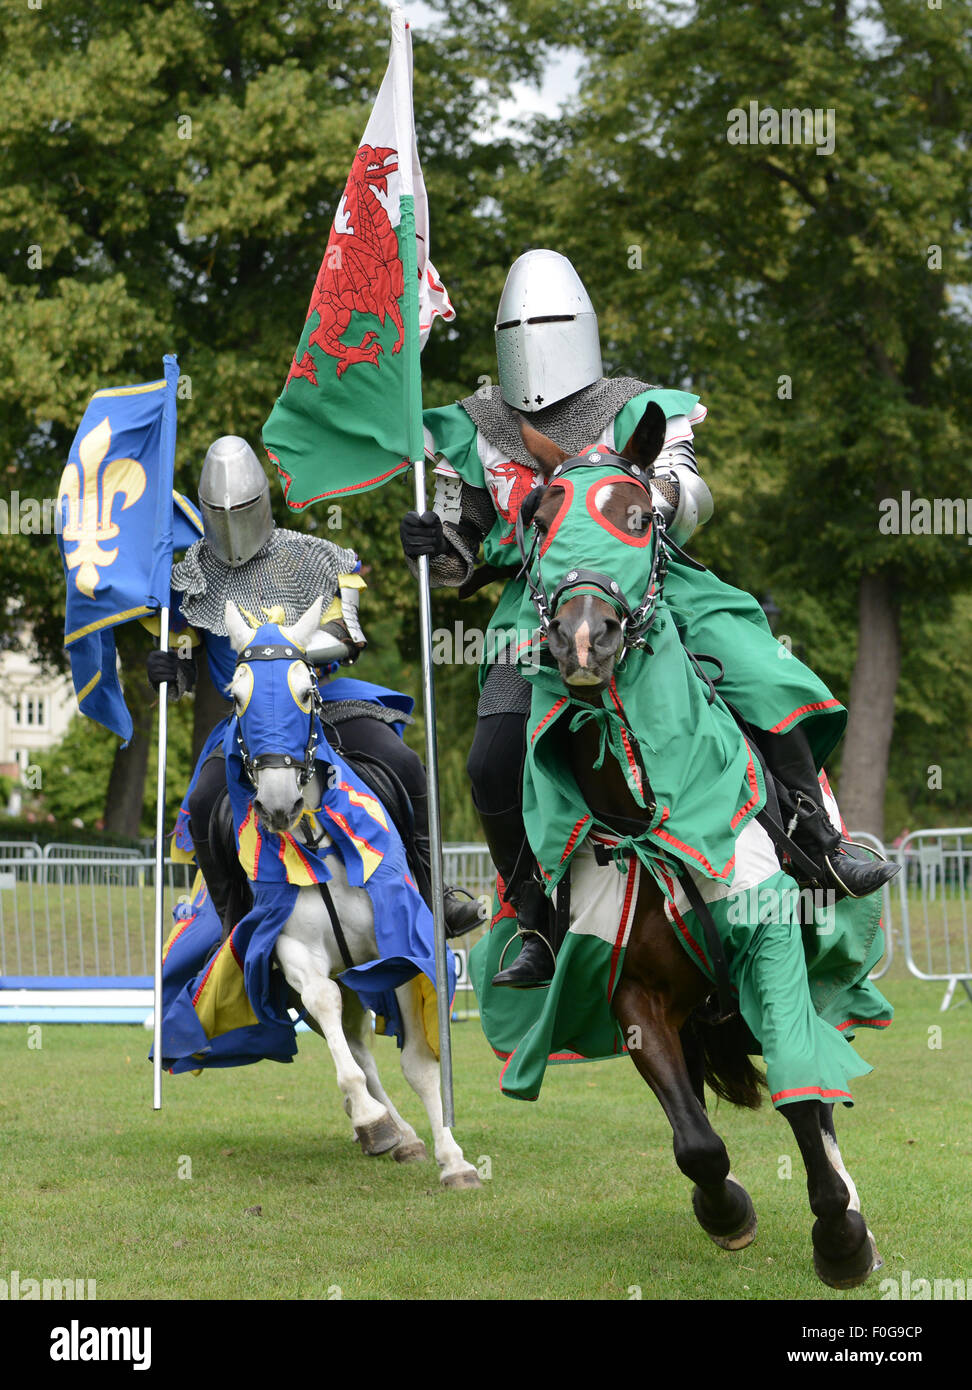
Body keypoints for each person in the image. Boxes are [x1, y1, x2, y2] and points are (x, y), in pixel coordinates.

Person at [401, 249, 897, 987]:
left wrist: (649, 503)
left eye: (549, 326)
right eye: (520, 329)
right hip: (533, 612)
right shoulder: (470, 430)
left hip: (658, 589)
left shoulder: (637, 405)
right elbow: (456, 564)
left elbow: (692, 493)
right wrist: (431, 545)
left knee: (763, 673)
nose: (535, 345)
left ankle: (815, 838)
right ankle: (538, 918)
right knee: (490, 762)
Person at [148, 435, 483, 940]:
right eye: (221, 512)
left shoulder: (313, 557)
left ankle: (434, 892)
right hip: (245, 723)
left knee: (404, 763)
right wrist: (172, 669)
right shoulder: (191, 576)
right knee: (201, 803)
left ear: (262, 503)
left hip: (323, 703)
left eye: (242, 509)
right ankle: (231, 926)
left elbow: (348, 634)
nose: (234, 523)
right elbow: (187, 660)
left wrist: (290, 655)